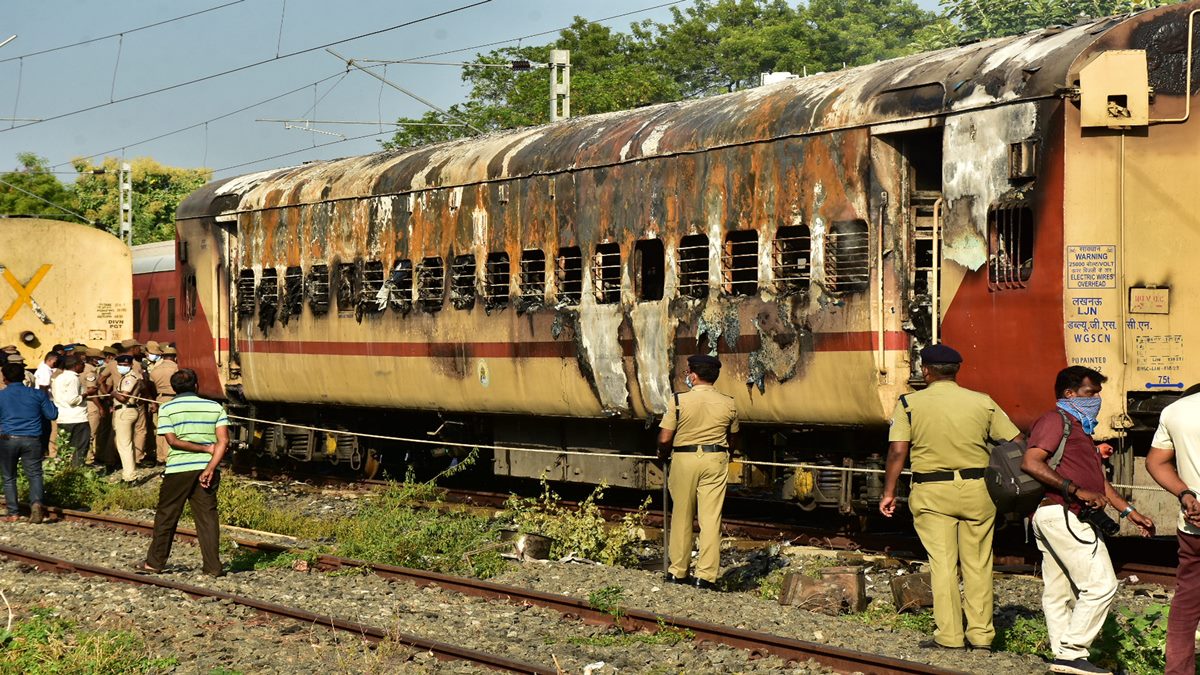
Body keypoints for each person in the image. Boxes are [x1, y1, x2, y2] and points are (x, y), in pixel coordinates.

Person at [879, 343, 1021, 650]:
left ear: (926, 371)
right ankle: (981, 636)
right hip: (978, 490)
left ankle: (950, 636)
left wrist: (889, 492)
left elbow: (898, 451)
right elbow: (1017, 440)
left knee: (942, 565)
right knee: (979, 564)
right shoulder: (982, 402)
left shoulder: (909, 404)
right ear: (956, 371)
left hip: (933, 493)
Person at [1022, 366, 1154, 675]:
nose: (1096, 398)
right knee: (1101, 585)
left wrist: (1129, 512)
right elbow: (1031, 462)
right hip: (1063, 512)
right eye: (1089, 393)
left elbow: (1100, 483)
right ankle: (1072, 653)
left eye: (1097, 393)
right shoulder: (1055, 421)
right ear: (1069, 394)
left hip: (1058, 515)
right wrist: (1075, 490)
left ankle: (1062, 657)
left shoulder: (1080, 428)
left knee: (1059, 592)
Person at [134, 368, 228, 577]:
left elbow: (173, 441)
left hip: (179, 469)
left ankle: (155, 563)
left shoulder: (167, 408)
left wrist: (203, 448)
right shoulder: (214, 407)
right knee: (207, 518)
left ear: (174, 388)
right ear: (196, 385)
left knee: (167, 515)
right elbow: (223, 441)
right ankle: (213, 567)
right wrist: (210, 467)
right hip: (207, 469)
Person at [656, 354, 738, 590]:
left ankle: (677, 572)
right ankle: (705, 576)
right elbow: (733, 436)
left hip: (684, 459)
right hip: (715, 458)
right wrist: (727, 454)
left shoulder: (678, 401)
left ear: (693, 375)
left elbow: (665, 438)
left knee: (682, 515)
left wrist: (662, 454)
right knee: (711, 518)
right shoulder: (729, 403)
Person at [1145, 384, 1200, 675]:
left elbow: (1155, 462)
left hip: (1193, 523)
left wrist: (1186, 494)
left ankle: (1178, 671)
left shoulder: (1175, 410)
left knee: (1187, 602)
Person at [0, 362, 58, 523]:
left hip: (7, 439)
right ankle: (37, 503)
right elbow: (52, 415)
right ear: (24, 377)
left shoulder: (1, 395)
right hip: (32, 439)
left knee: (9, 476)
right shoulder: (37, 394)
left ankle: (13, 513)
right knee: (35, 474)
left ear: (4, 379)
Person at [50, 355, 91, 466]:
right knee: (80, 448)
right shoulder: (73, 378)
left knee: (64, 448)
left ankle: (62, 469)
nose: (84, 366)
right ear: (75, 365)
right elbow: (72, 400)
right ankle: (76, 470)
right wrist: (86, 394)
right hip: (76, 418)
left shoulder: (58, 378)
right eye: (82, 364)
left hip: (63, 417)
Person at [111, 354, 143, 482]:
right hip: (129, 410)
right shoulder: (132, 376)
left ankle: (130, 477)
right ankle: (130, 473)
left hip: (125, 411)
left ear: (130, 365)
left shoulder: (129, 378)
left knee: (124, 445)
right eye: (120, 365)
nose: (121, 367)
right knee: (128, 444)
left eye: (125, 365)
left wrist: (114, 393)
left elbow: (123, 398)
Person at [147, 344, 179, 464]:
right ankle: (169, 454)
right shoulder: (177, 368)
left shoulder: (155, 369)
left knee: (161, 428)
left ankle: (160, 456)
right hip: (173, 399)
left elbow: (150, 386)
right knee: (173, 427)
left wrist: (154, 401)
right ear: (175, 357)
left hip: (159, 398)